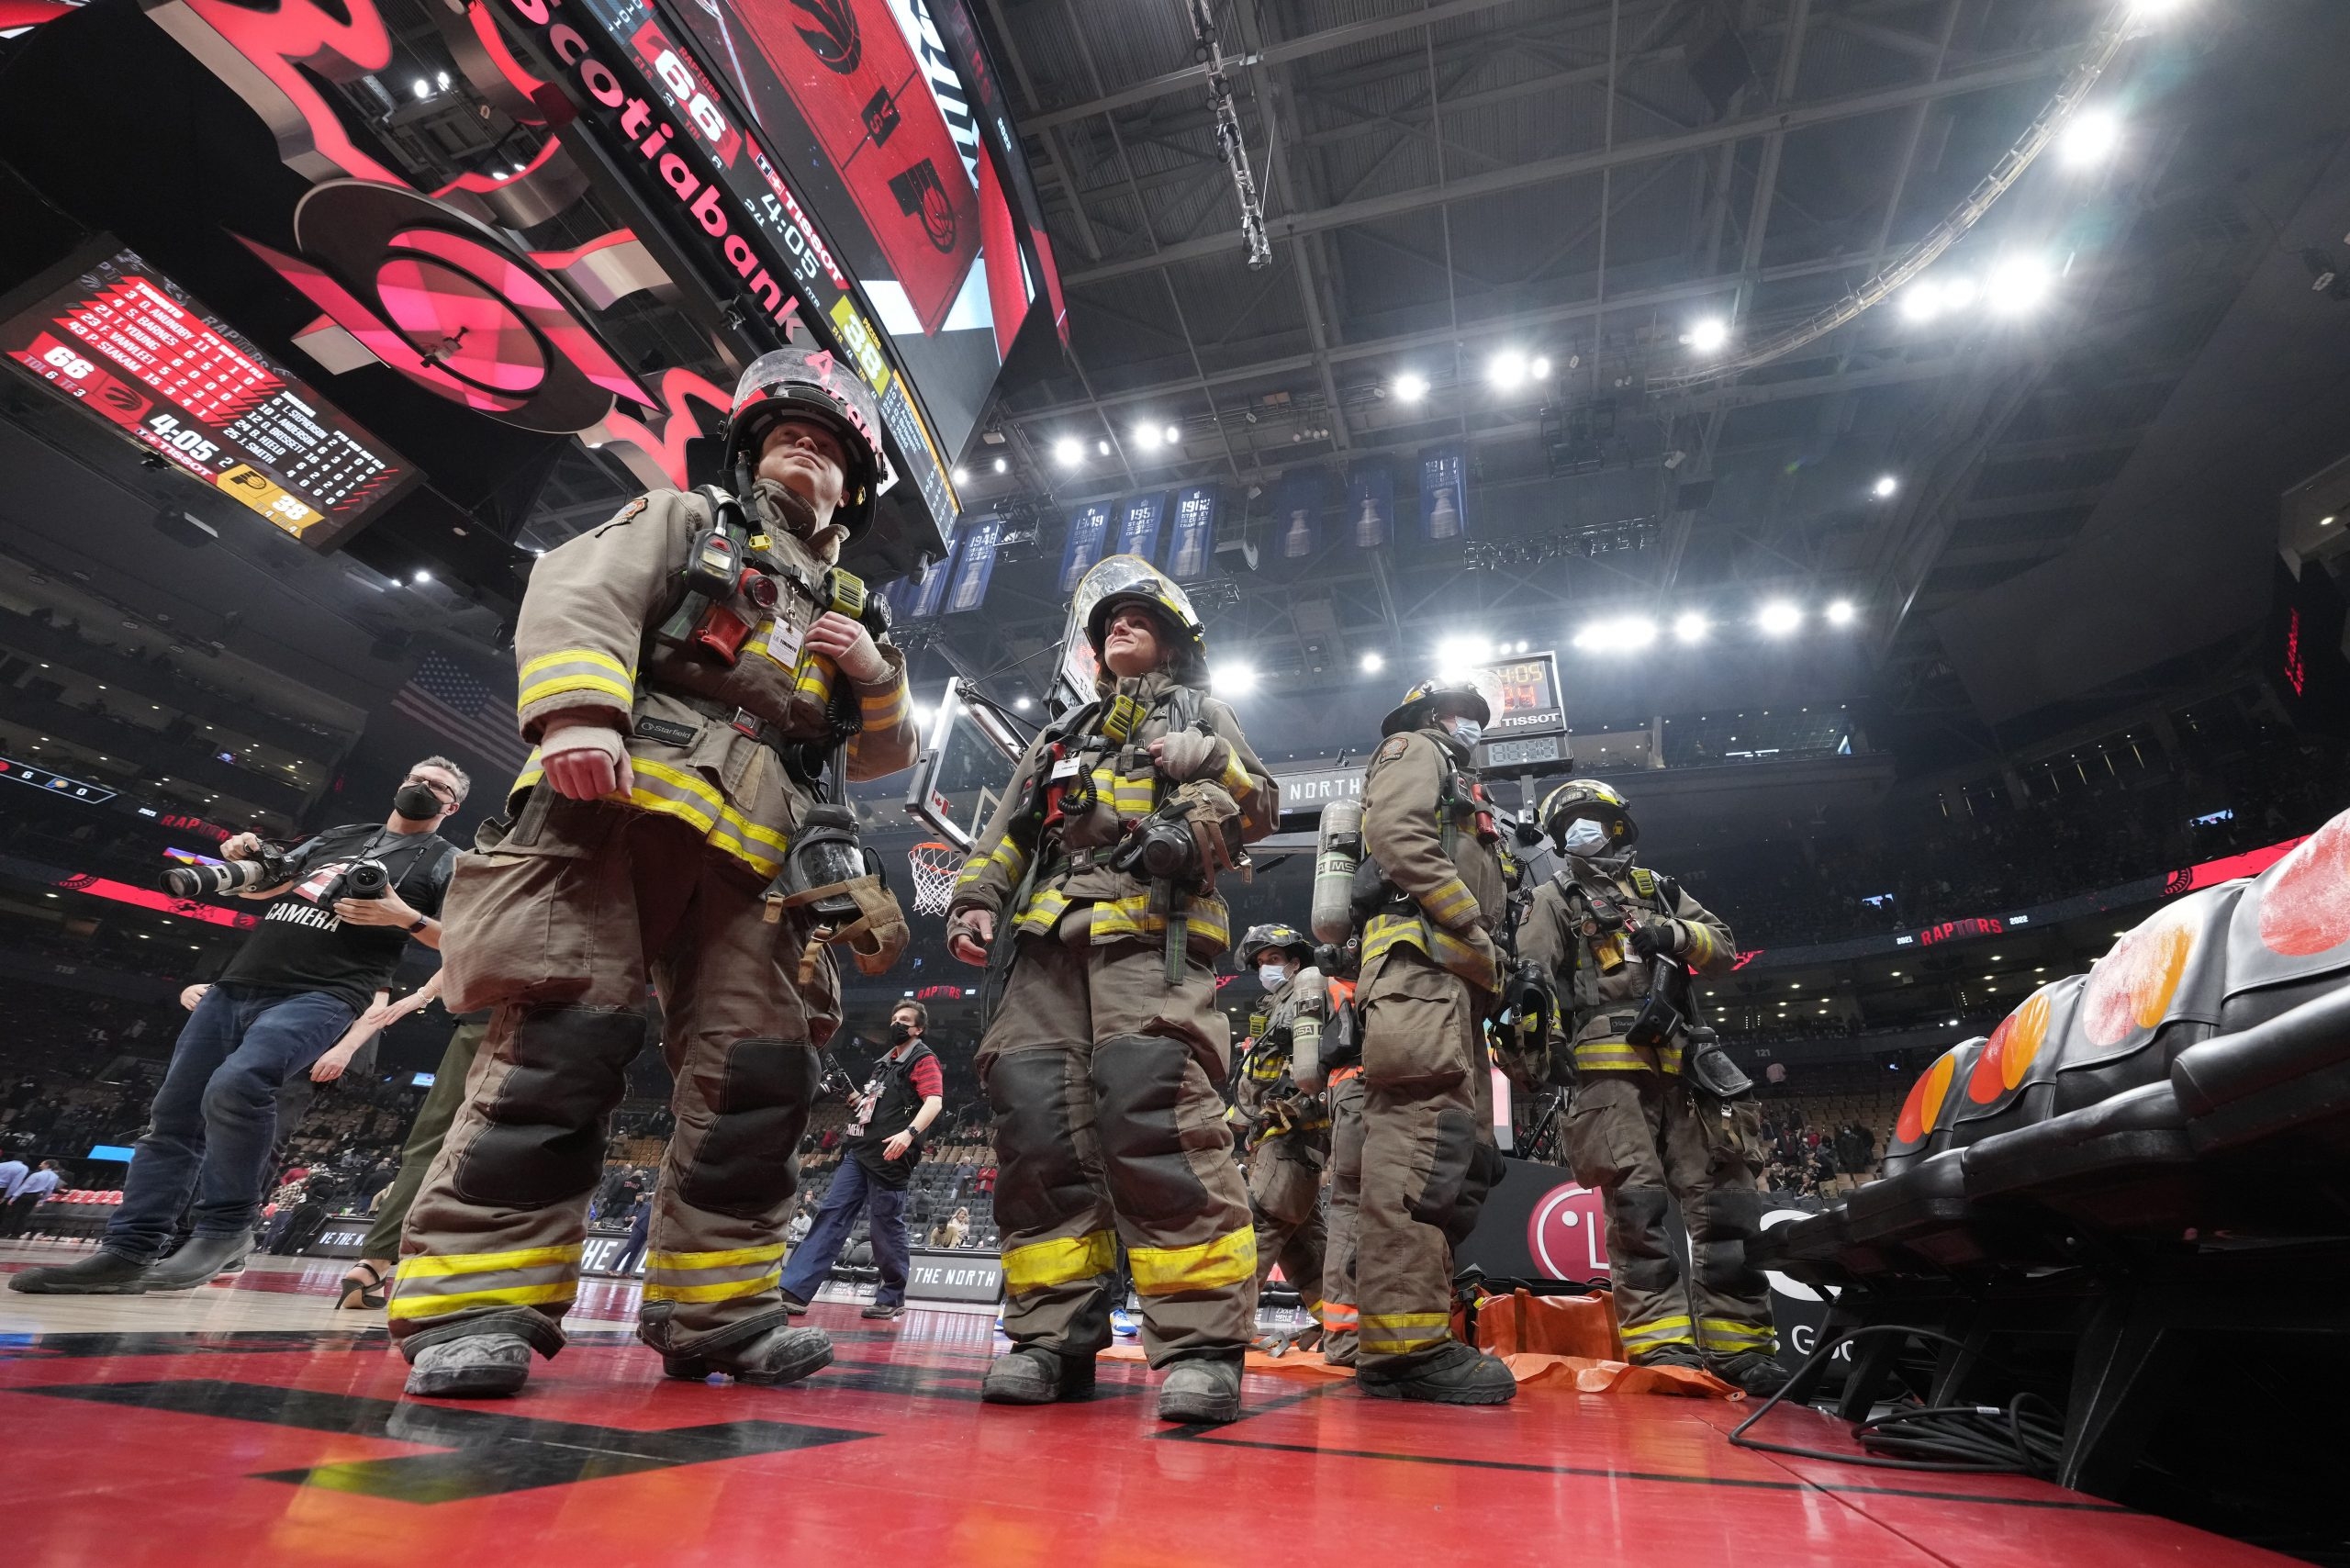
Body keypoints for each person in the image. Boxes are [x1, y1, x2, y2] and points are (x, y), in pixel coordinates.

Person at [388, 346, 919, 1400]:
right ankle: (475, 1306)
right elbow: (577, 589)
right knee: (558, 1053)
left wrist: (876, 673)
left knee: (761, 1084)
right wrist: (582, 711)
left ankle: (718, 1312)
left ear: (853, 490)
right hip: (613, 816)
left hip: (765, 866)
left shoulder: (860, 613)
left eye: (825, 448)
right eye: (787, 437)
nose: (803, 454)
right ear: (750, 454)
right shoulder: (686, 519)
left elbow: (877, 758)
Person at [946, 557, 1274, 1425]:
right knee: (1037, 1130)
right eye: (1109, 622)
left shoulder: (1202, 713)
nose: (1118, 626)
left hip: (1146, 939)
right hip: (1045, 952)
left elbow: (1260, 805)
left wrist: (1206, 781)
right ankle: (1051, 1339)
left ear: (1173, 641)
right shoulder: (1060, 736)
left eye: (1138, 617)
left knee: (1155, 1117)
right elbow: (1007, 833)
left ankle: (1204, 1347)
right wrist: (977, 899)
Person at [10, 761, 465, 1295]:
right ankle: (127, 1251)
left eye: (440, 787)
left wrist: (401, 916)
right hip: (240, 981)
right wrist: (244, 857)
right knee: (172, 1116)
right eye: (418, 777)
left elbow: (464, 940)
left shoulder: (447, 860)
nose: (423, 788)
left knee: (239, 1084)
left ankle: (227, 1228)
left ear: (452, 806)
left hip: (327, 991)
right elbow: (265, 888)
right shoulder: (343, 836)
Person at [1514, 778, 1784, 1395]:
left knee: (1727, 1207)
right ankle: (1662, 1343)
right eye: (1570, 823)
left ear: (1615, 826)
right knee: (1639, 1211)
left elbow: (1723, 950)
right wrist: (1540, 1056)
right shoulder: (1552, 898)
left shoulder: (1659, 890)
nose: (1582, 830)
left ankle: (1741, 1348)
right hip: (1608, 1083)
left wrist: (1675, 935)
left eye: (1592, 818)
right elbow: (1532, 980)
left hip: (1689, 1075)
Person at [1347, 679, 1515, 1405]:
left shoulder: (1468, 794)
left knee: (1456, 1158)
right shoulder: (1414, 749)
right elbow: (1397, 836)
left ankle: (1414, 1329)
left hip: (1455, 984)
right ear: (1427, 717)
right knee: (1419, 1144)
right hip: (1421, 969)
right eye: (1461, 715)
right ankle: (1401, 1348)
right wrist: (1470, 923)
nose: (1470, 727)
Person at [776, 1002, 944, 1322]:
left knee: (885, 1228)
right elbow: (870, 1109)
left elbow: (934, 1102)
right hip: (860, 1150)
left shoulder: (924, 1059)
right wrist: (849, 1092)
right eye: (894, 1018)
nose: (897, 1023)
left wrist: (908, 1134)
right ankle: (795, 1290)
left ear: (918, 1029)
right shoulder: (883, 1065)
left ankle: (892, 1296)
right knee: (831, 1214)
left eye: (905, 1021)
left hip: (891, 1154)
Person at [1226, 924, 1329, 1344]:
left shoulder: (1302, 1004)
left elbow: (1301, 1077)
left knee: (1258, 1227)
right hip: (1280, 1139)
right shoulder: (1276, 1006)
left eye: (1273, 959)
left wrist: (1265, 1118)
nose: (1265, 969)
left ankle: (1231, 1329)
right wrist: (1237, 1122)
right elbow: (1258, 1078)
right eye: (1260, 962)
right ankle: (1341, 1325)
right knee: (1304, 1247)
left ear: (1295, 962)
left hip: (1288, 1135)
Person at [2, 1159, 61, 1237]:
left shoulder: (37, 1175)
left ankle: (3, 1232)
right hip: (36, 1197)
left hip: (25, 1195)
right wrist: (42, 1200)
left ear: (47, 1165)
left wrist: (13, 1197)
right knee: (24, 1215)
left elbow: (25, 1187)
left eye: (42, 1163)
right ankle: (17, 1233)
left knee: (12, 1214)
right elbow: (50, 1189)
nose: (40, 1165)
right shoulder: (55, 1177)